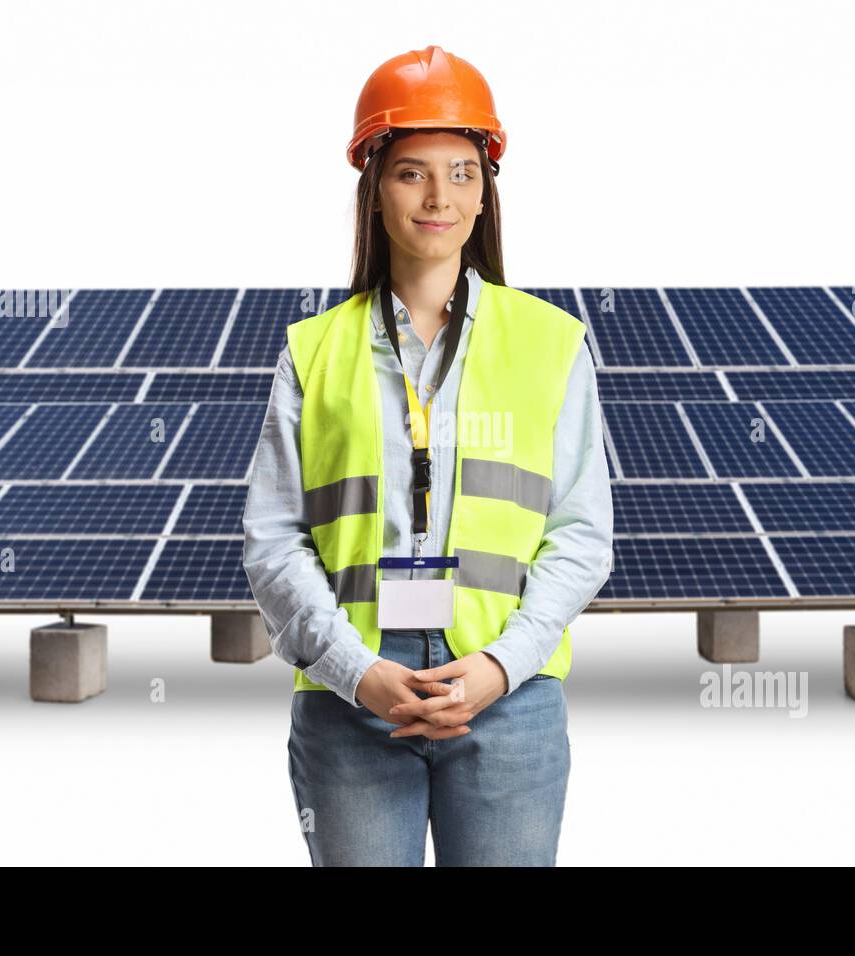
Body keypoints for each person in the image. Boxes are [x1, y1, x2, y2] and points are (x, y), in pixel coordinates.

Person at [242, 44, 614, 866]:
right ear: (373, 190)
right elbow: (274, 540)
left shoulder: (553, 344)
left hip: (507, 701)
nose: (439, 195)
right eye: (411, 172)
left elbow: (581, 534)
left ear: (486, 195)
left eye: (462, 172)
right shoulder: (314, 350)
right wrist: (354, 669)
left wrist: (498, 667)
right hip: (353, 701)